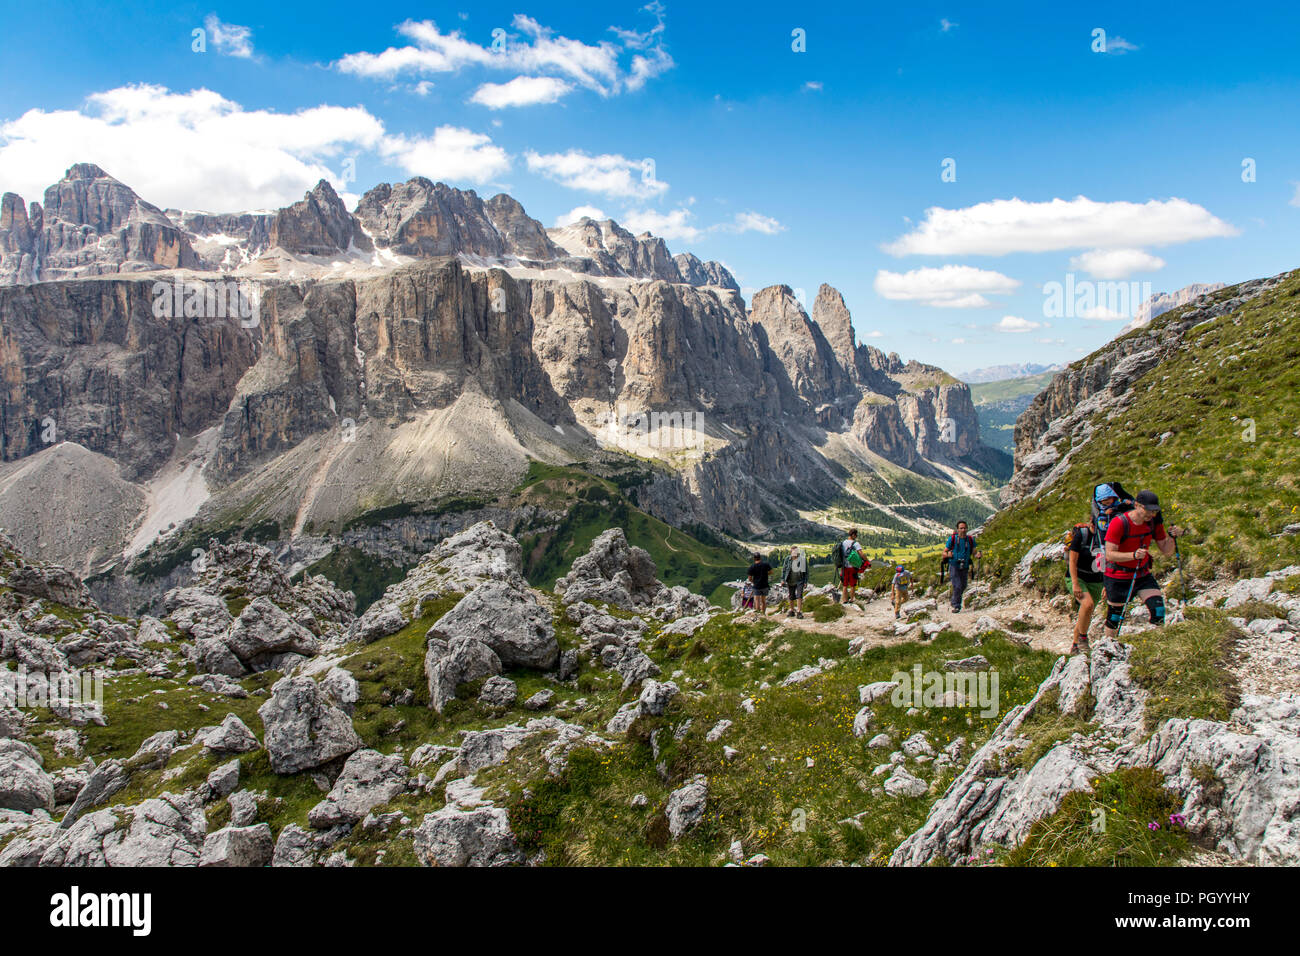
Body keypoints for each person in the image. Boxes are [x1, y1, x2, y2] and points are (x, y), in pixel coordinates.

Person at [1103, 490, 1182, 638]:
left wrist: (1172, 537)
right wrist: (1132, 555)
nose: (1151, 514)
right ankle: (1108, 648)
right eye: (1148, 510)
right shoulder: (1119, 523)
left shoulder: (1153, 523)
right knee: (1114, 617)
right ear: (1137, 505)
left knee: (1158, 610)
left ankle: (1159, 644)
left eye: (1155, 511)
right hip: (1118, 576)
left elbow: (1166, 550)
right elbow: (1110, 554)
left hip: (1141, 574)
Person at [1066, 493, 1113, 653]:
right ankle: (1083, 640)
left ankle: (1074, 645)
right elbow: (1072, 560)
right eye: (1095, 524)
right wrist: (1075, 583)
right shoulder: (1082, 535)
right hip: (1078, 577)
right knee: (1088, 604)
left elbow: (1107, 563)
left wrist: (1107, 584)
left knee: (1086, 611)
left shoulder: (1106, 539)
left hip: (1097, 579)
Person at [943, 521, 981, 613]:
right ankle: (956, 605)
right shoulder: (952, 539)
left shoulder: (970, 540)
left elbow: (974, 551)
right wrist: (948, 555)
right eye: (961, 528)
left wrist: (977, 555)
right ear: (957, 529)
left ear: (967, 529)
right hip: (954, 565)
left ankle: (954, 600)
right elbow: (944, 552)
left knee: (963, 585)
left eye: (964, 528)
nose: (963, 530)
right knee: (958, 585)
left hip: (965, 565)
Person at [839, 529, 869, 604]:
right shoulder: (855, 543)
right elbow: (861, 554)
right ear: (853, 535)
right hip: (853, 566)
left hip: (844, 566)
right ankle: (852, 599)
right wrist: (866, 561)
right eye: (856, 535)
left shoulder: (843, 543)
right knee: (853, 584)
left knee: (845, 584)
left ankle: (844, 600)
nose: (856, 536)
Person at [781, 545, 810, 618]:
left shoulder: (802, 559)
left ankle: (799, 611)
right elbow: (784, 570)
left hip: (800, 580)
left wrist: (805, 582)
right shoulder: (787, 559)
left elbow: (806, 572)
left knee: (799, 595)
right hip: (790, 580)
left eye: (796, 552)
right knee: (791, 596)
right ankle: (791, 610)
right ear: (791, 552)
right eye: (793, 552)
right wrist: (782, 580)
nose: (794, 553)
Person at [747, 551, 773, 616]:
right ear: (760, 558)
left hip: (757, 586)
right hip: (765, 585)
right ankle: (763, 614)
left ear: (754, 558)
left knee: (757, 601)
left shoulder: (752, 567)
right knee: (763, 601)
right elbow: (771, 572)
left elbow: (749, 578)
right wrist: (765, 574)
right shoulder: (766, 564)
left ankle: (758, 615)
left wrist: (753, 582)